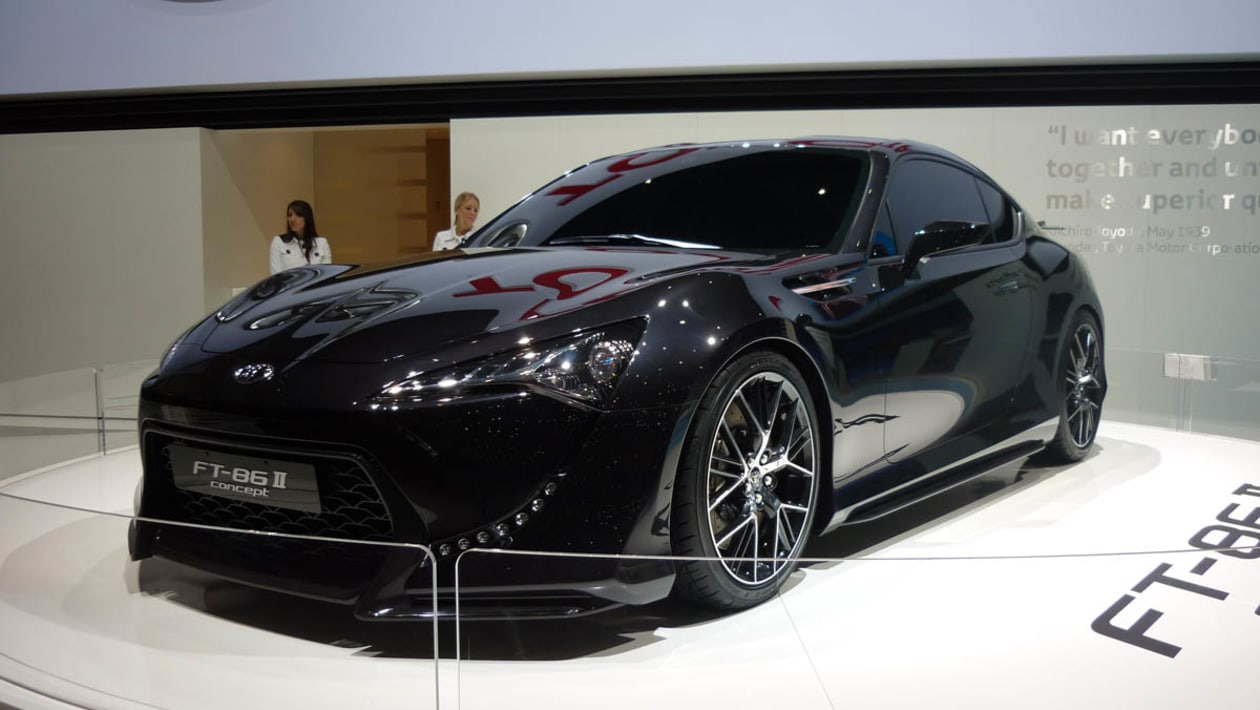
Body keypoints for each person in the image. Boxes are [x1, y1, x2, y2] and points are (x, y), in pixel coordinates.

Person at [270, 199, 332, 274]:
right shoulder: (279, 242)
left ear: (307, 218)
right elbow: (276, 275)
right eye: (289, 215)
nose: (292, 219)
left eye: (298, 215)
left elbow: (326, 274)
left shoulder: (322, 243)